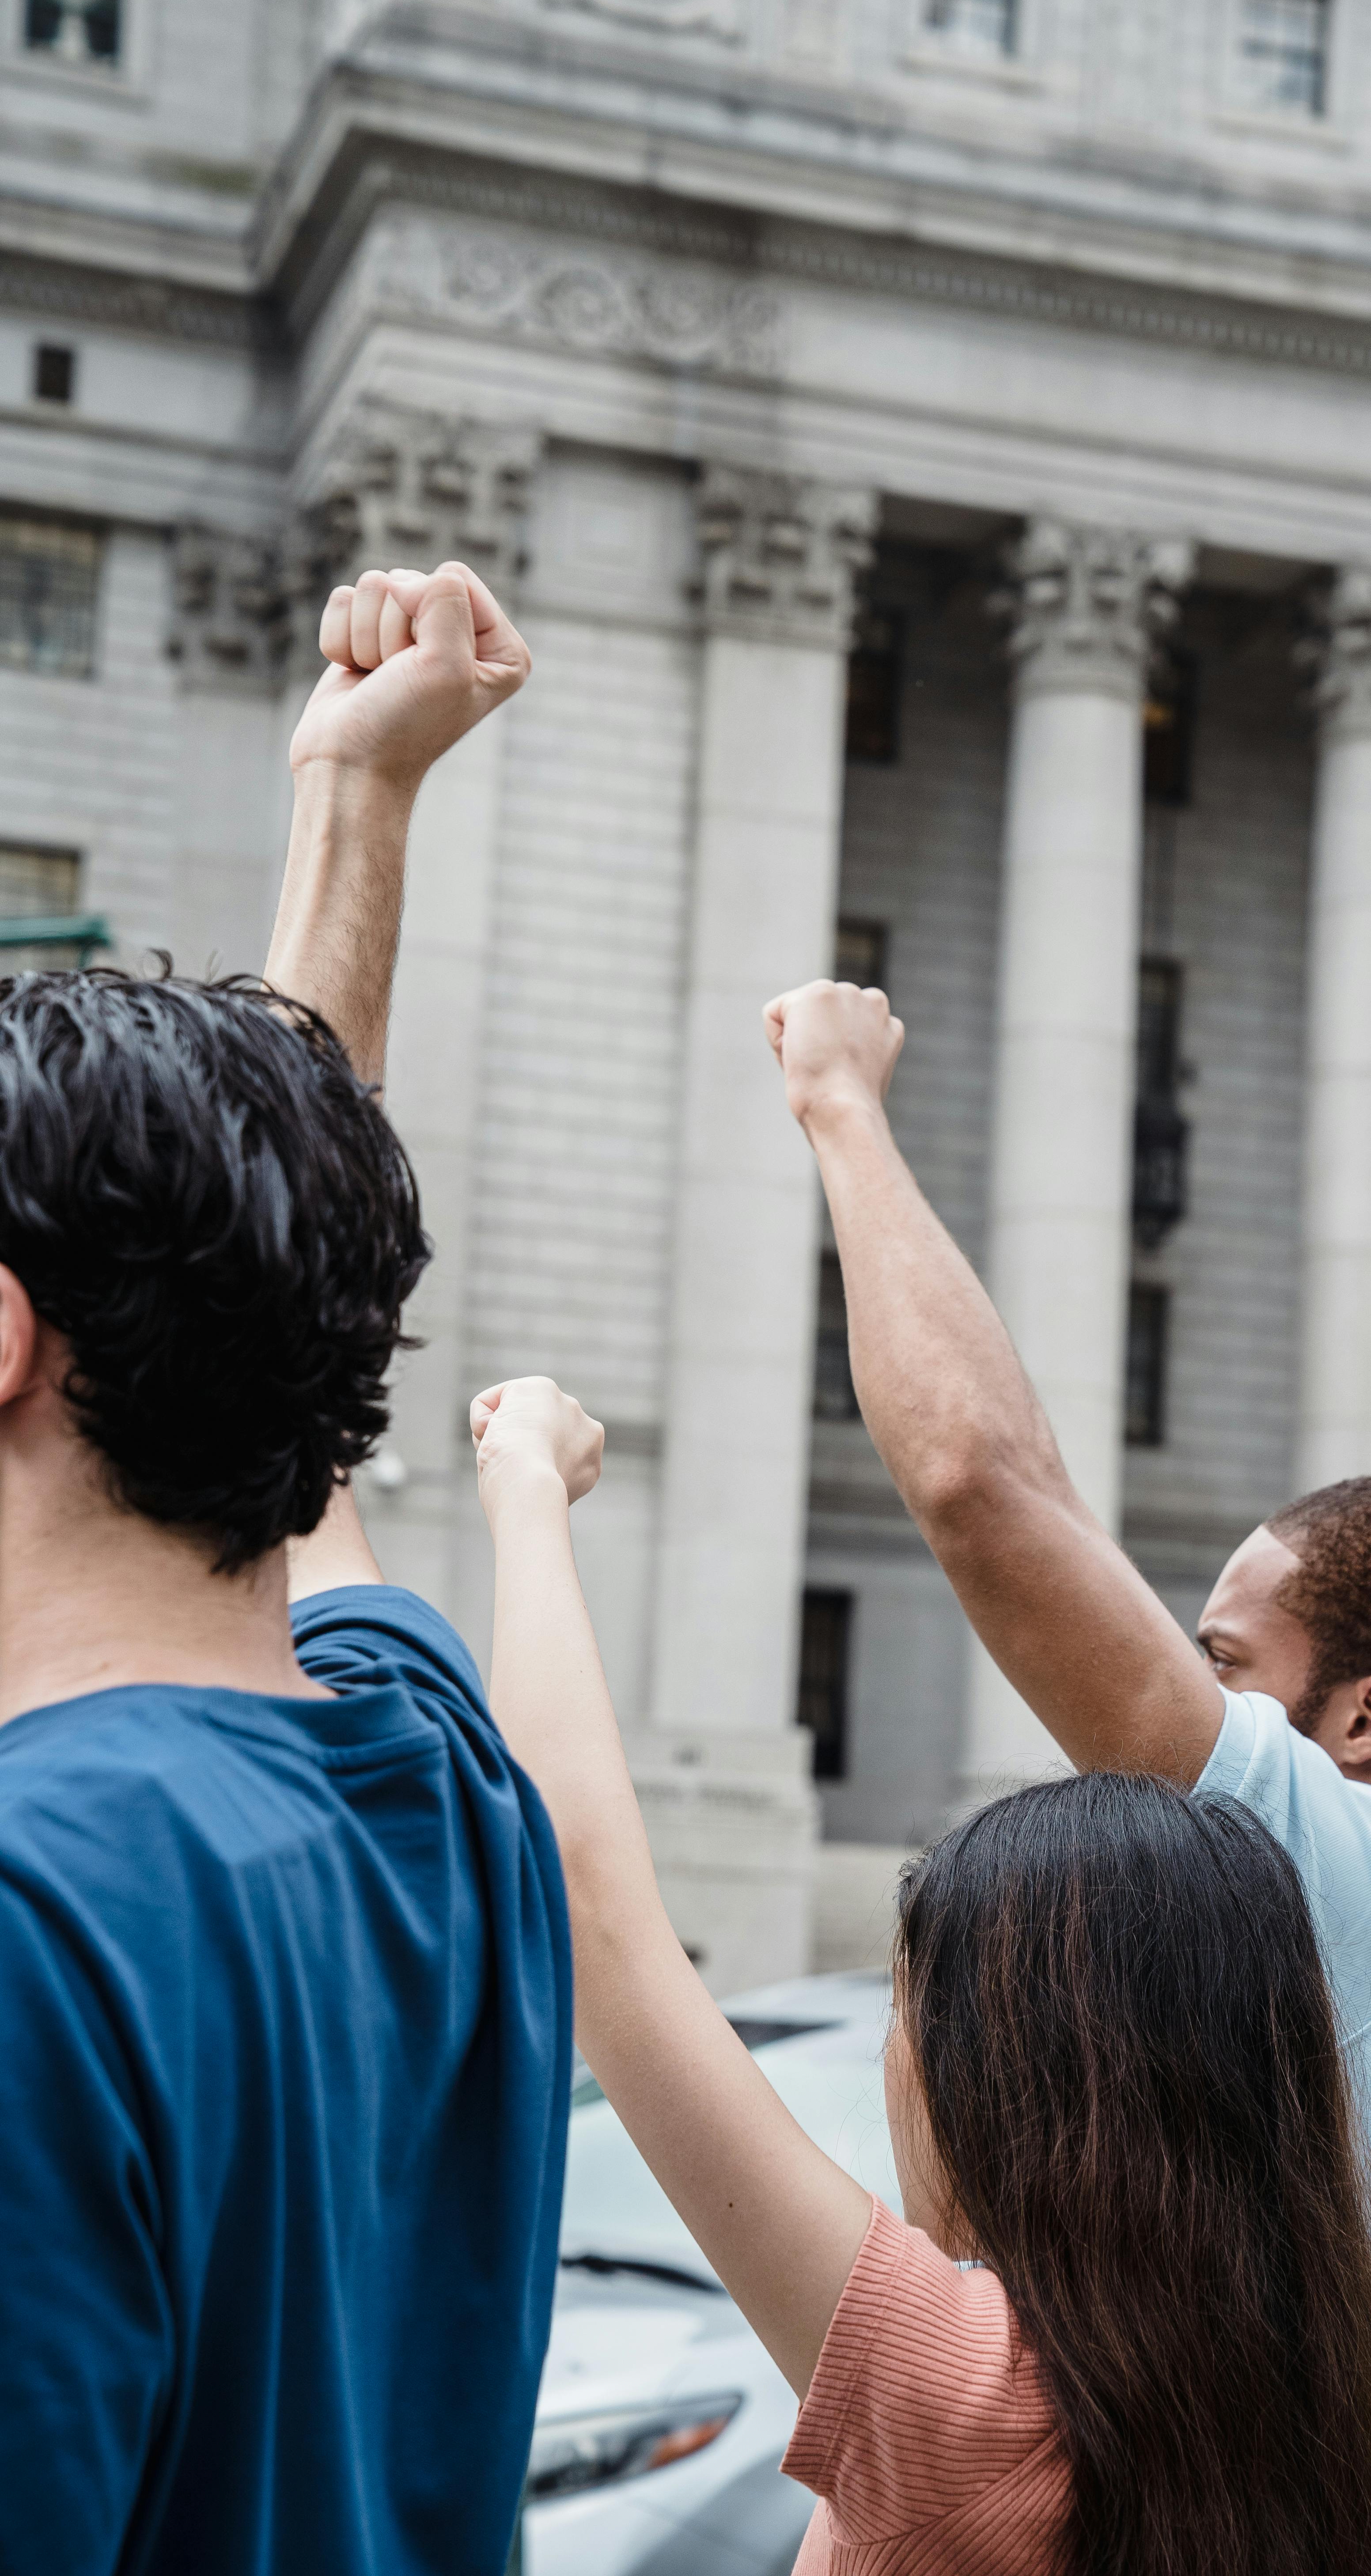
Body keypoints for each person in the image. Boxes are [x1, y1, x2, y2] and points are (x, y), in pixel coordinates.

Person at [760, 976, 1371, 2576]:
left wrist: (842, 1107)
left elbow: (984, 1490)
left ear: (1366, 1721)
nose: (1181, 1701)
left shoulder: (1367, 1898)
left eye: (1225, 1665)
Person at [465, 1370, 1371, 2576]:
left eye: (906, 2007)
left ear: (1009, 2077)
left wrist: (525, 1491)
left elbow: (586, 1905)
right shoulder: (1320, 2383)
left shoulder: (973, 2401)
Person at [0, 560, 569, 2576]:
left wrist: (361, 797)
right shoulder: (435, 1793)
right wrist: (356, 796)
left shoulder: (24, 1906)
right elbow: (279, 1280)